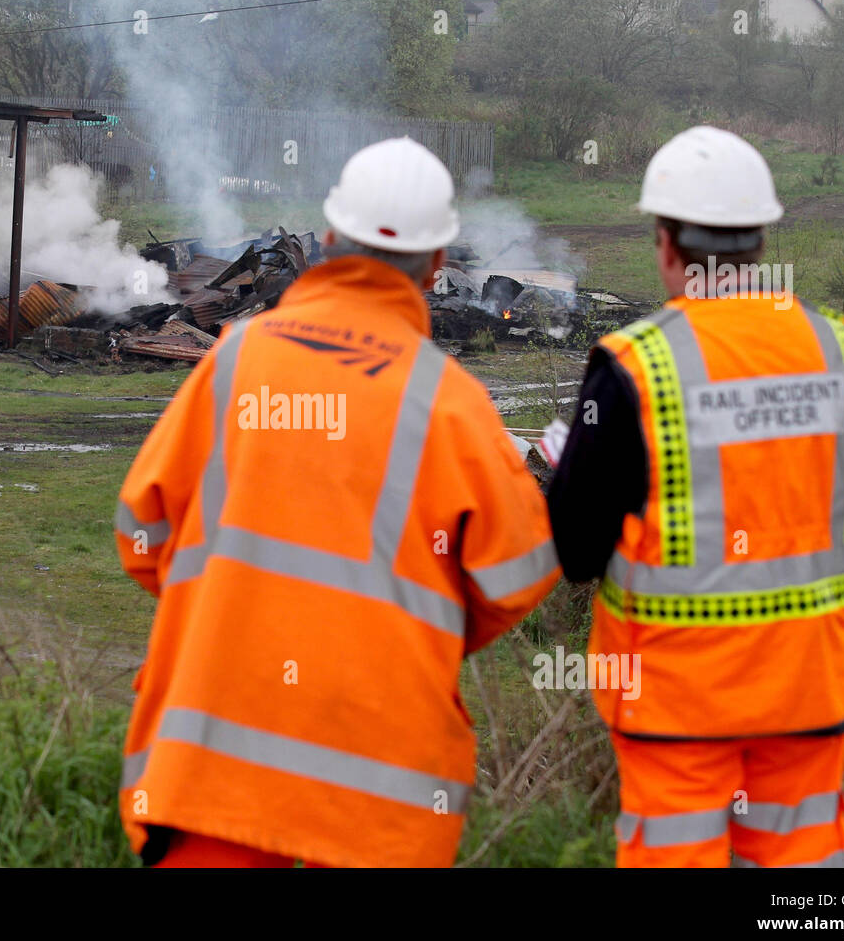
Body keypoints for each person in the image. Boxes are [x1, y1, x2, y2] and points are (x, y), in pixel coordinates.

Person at [114, 137, 560, 867]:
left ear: (325, 241)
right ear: (438, 264)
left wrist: (222, 606)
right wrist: (417, 634)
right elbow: (515, 577)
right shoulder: (450, 405)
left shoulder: (235, 362)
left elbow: (140, 531)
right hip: (379, 811)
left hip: (211, 783)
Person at [547, 125, 844, 868]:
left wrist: (562, 471)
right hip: (809, 695)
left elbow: (578, 553)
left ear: (666, 243)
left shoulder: (634, 367)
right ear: (761, 245)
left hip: (679, 709)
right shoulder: (841, 350)